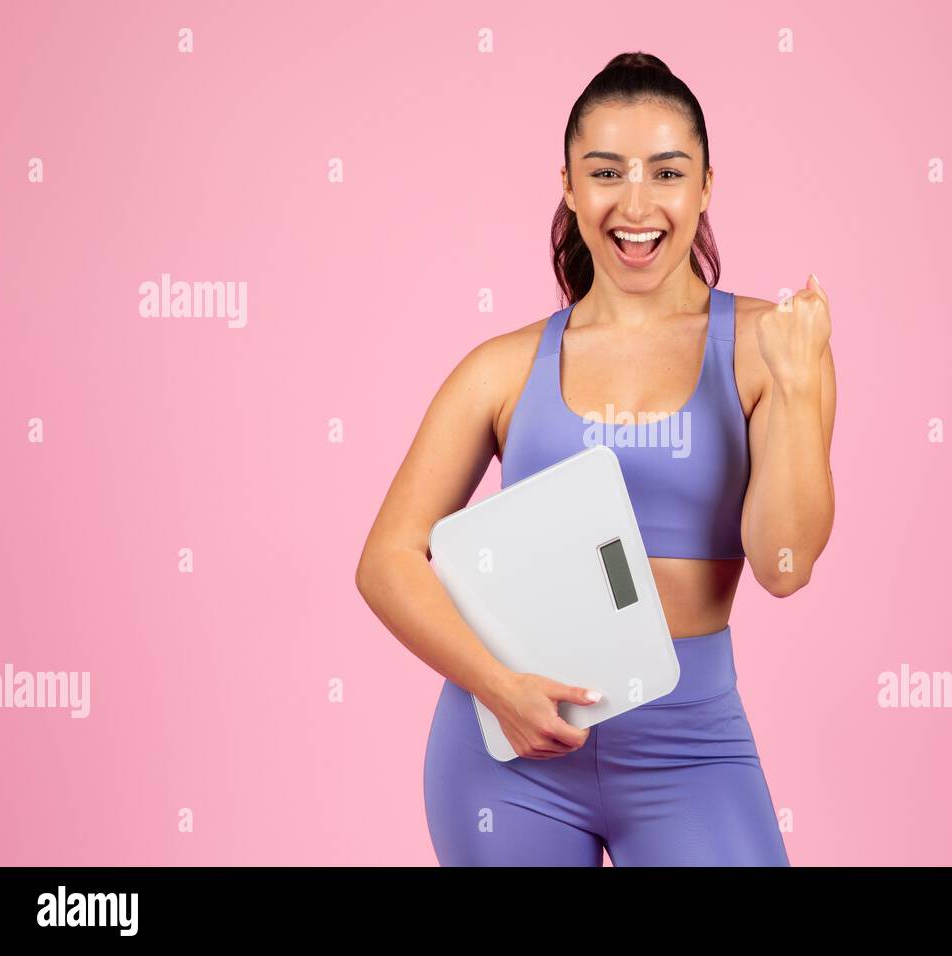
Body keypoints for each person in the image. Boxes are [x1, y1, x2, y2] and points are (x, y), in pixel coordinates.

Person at [355, 51, 835, 866]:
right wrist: (500, 688)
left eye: (667, 172)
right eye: (606, 172)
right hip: (509, 754)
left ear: (707, 186)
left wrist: (794, 389)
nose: (636, 203)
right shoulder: (501, 368)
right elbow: (387, 560)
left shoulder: (771, 344)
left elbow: (783, 566)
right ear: (570, 187)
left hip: (692, 747)